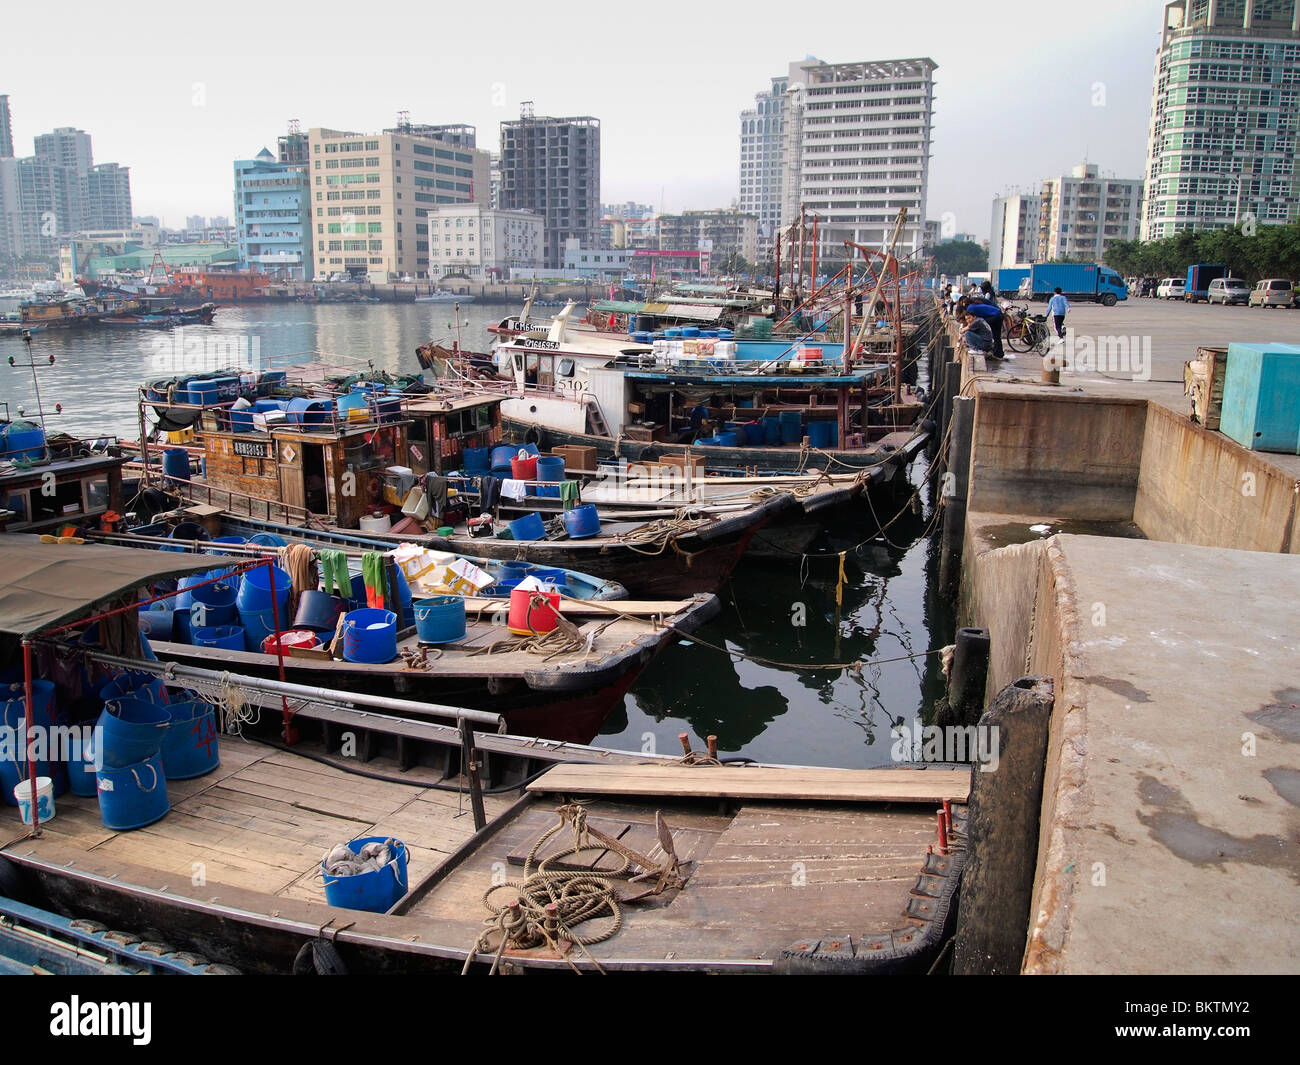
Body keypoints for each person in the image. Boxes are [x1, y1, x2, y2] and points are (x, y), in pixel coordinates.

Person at [961, 293, 1004, 359]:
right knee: (996, 335)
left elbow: (972, 323)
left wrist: (965, 329)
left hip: (995, 316)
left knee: (982, 327)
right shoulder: (974, 305)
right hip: (998, 314)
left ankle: (982, 349)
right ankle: (998, 353)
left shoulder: (970, 308)